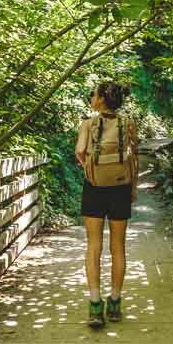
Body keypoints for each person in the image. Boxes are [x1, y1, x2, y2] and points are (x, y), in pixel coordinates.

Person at [74, 81, 139, 328]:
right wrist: (132, 188)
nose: (91, 97)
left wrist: (91, 168)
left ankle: (94, 305)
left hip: (94, 188)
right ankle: (115, 302)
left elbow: (80, 151)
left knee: (93, 246)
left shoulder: (88, 124)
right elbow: (134, 158)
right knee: (118, 247)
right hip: (121, 188)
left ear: (101, 99)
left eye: (93, 94)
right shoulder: (128, 124)